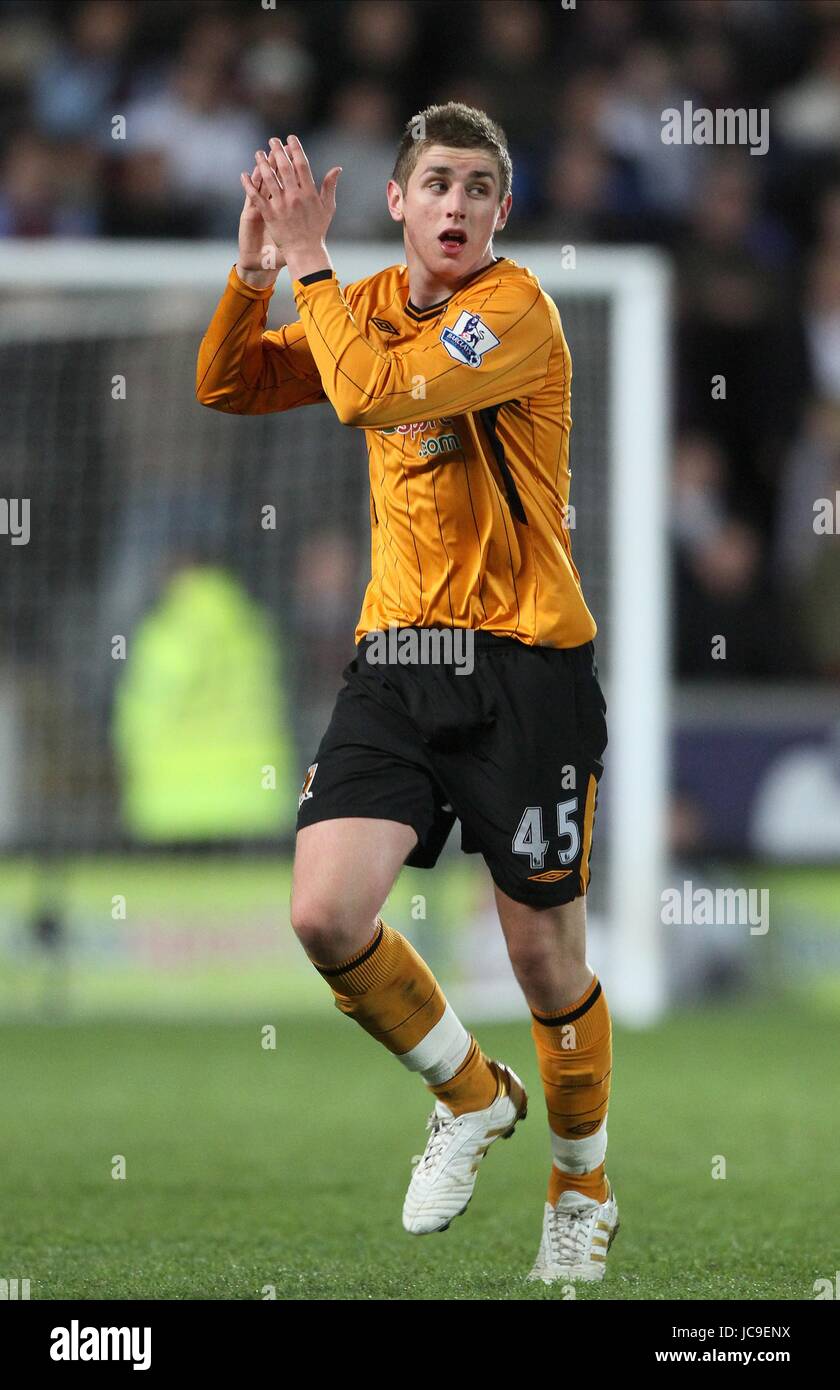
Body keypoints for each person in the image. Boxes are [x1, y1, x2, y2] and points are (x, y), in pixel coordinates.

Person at [196, 102, 617, 1284]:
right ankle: (473, 1094)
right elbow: (228, 385)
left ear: (501, 212)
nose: (457, 205)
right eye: (437, 182)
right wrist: (252, 268)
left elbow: (380, 395)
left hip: (527, 669)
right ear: (397, 198)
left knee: (543, 962)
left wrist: (312, 265)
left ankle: (580, 1186)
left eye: (481, 188)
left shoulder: (516, 314)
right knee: (325, 913)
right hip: (399, 661)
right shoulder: (365, 302)